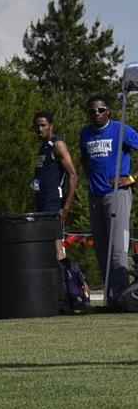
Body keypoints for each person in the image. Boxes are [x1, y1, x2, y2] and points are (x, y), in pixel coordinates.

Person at [79, 94, 138, 310]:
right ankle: (111, 299)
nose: (97, 114)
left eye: (101, 109)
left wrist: (130, 177)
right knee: (101, 249)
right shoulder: (85, 133)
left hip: (117, 194)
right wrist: (92, 180)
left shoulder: (122, 130)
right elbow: (84, 158)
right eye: (92, 111)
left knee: (117, 249)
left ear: (109, 110)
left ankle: (124, 300)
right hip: (95, 195)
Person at [31, 111, 78, 260]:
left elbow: (73, 175)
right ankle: (55, 282)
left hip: (53, 203)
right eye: (37, 126)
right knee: (46, 247)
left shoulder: (57, 144)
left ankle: (68, 282)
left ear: (51, 126)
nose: (40, 129)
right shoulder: (43, 147)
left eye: (43, 125)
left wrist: (66, 207)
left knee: (56, 247)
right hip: (42, 202)